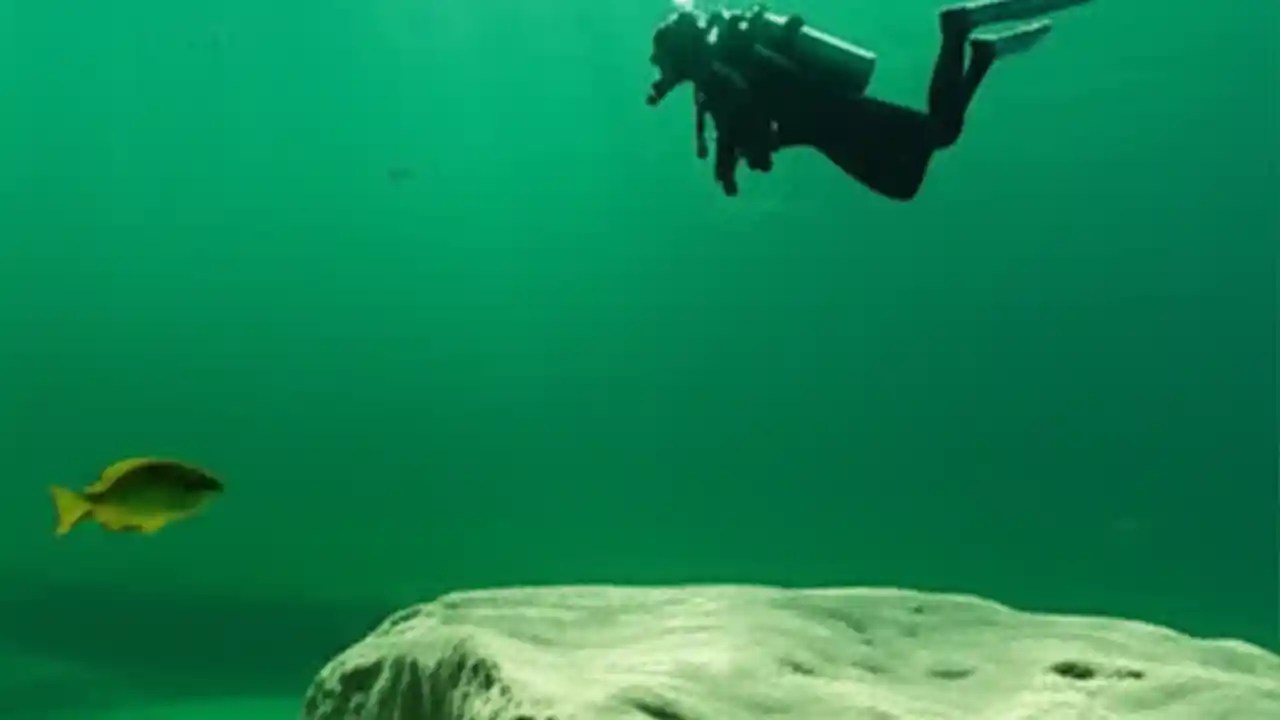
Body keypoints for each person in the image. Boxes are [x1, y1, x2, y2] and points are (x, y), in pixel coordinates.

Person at [646, 0, 1094, 200]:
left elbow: (749, 123)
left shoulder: (719, 76)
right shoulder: (719, 73)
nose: (659, 69)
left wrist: (737, 161)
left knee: (939, 132)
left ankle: (958, 32)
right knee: (905, 183)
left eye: (662, 60)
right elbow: (745, 122)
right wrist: (733, 158)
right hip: (830, 128)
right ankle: (980, 53)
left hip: (837, 114)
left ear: (681, 54)